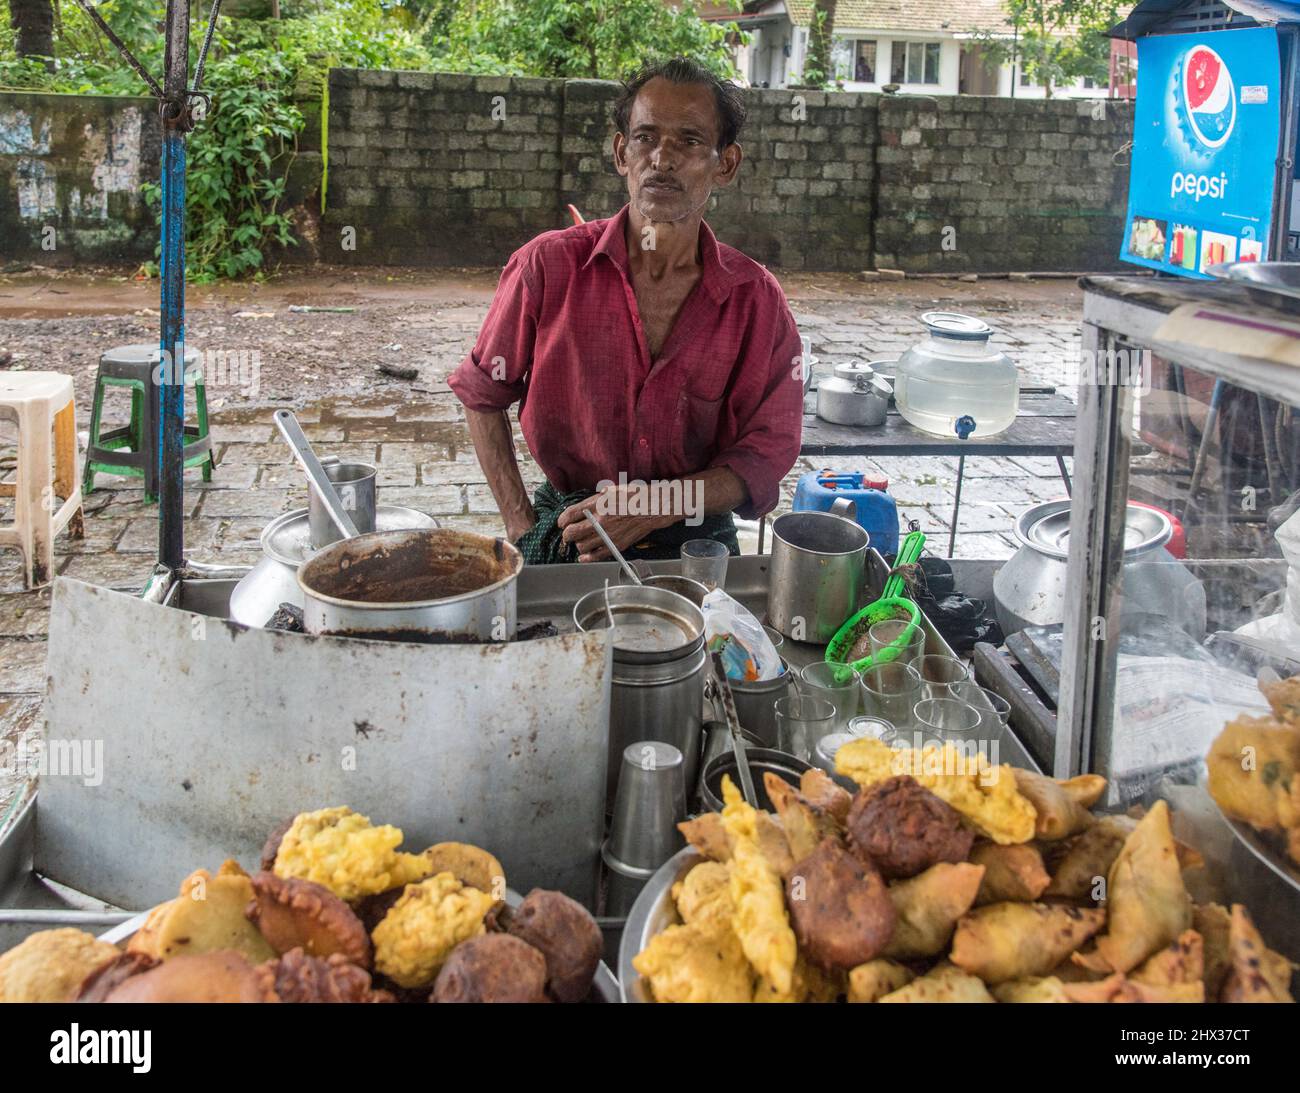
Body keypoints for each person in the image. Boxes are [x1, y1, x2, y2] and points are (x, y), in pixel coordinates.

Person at [448, 56, 804, 563]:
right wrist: (521, 524)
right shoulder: (547, 266)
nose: (663, 158)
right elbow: (481, 394)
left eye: (689, 140)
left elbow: (768, 450)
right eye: (646, 137)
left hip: (695, 536)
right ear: (621, 152)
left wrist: (656, 504)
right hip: (572, 527)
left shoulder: (755, 300)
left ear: (725, 164)